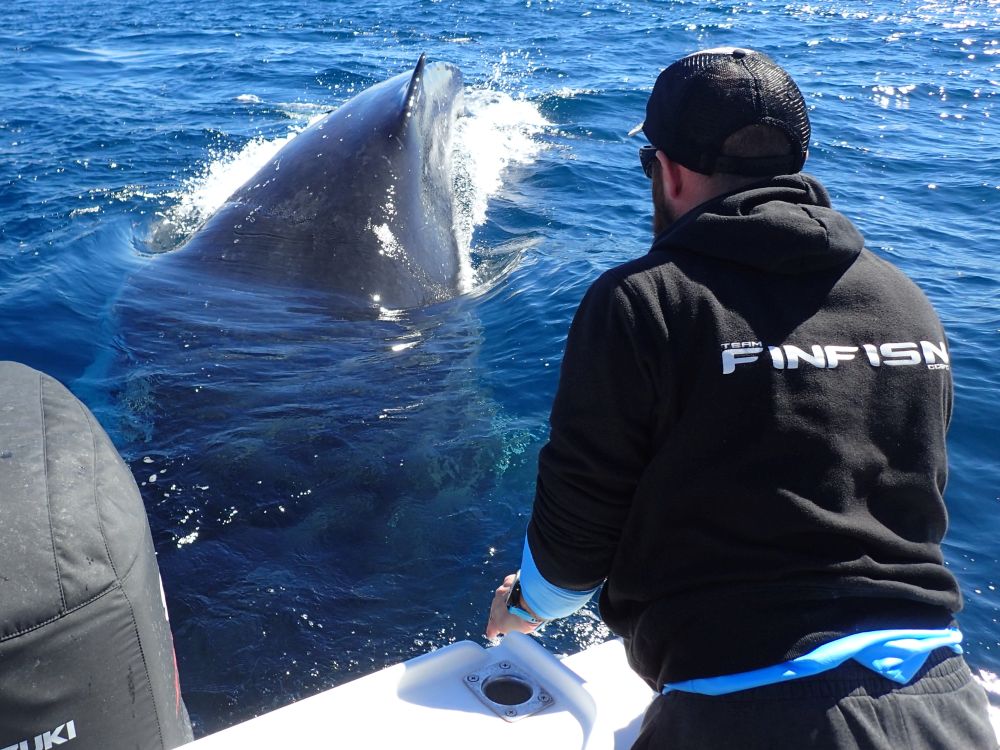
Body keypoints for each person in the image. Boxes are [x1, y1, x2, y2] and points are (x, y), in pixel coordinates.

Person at [485, 47, 997, 749]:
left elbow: (578, 532)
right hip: (944, 700)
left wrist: (529, 603)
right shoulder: (905, 301)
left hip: (748, 707)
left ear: (668, 170)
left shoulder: (645, 300)